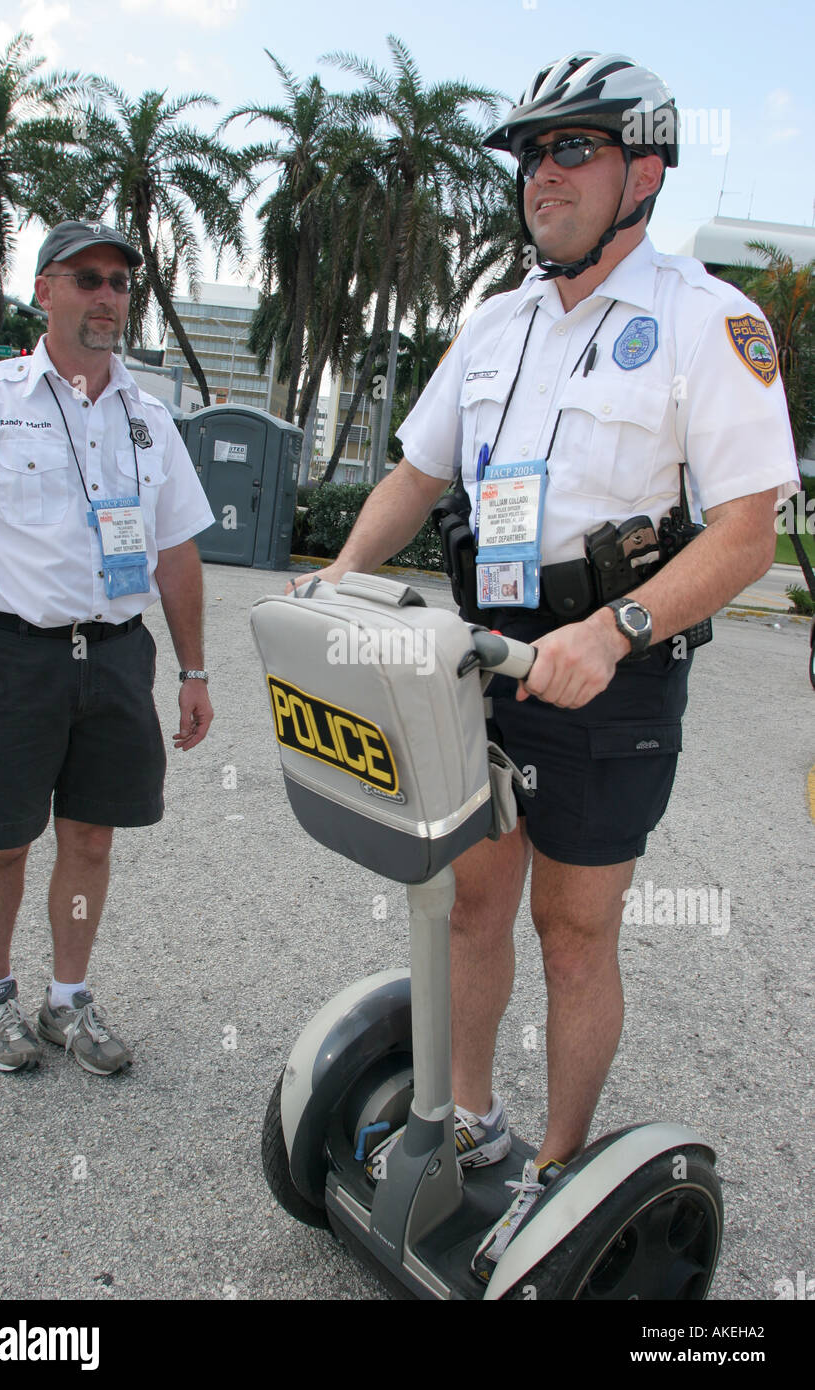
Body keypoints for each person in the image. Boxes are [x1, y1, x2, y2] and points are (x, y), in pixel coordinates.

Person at [290, 53, 799, 1281]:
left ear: (645, 172)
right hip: (479, 662)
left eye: (572, 149)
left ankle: (561, 1170)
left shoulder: (705, 322)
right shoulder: (498, 322)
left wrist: (615, 629)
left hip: (608, 676)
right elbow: (422, 471)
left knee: (575, 932)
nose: (541, 175)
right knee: (471, 904)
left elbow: (746, 529)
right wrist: (340, 573)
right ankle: (468, 1120)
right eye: (529, 154)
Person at [0, 220, 216, 1077]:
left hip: (114, 656)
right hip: (10, 656)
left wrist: (194, 670)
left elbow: (175, 550)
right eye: (87, 278)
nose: (108, 295)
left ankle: (67, 1001)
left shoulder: (149, 417)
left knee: (91, 839)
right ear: (45, 292)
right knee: (1, 839)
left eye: (120, 283)